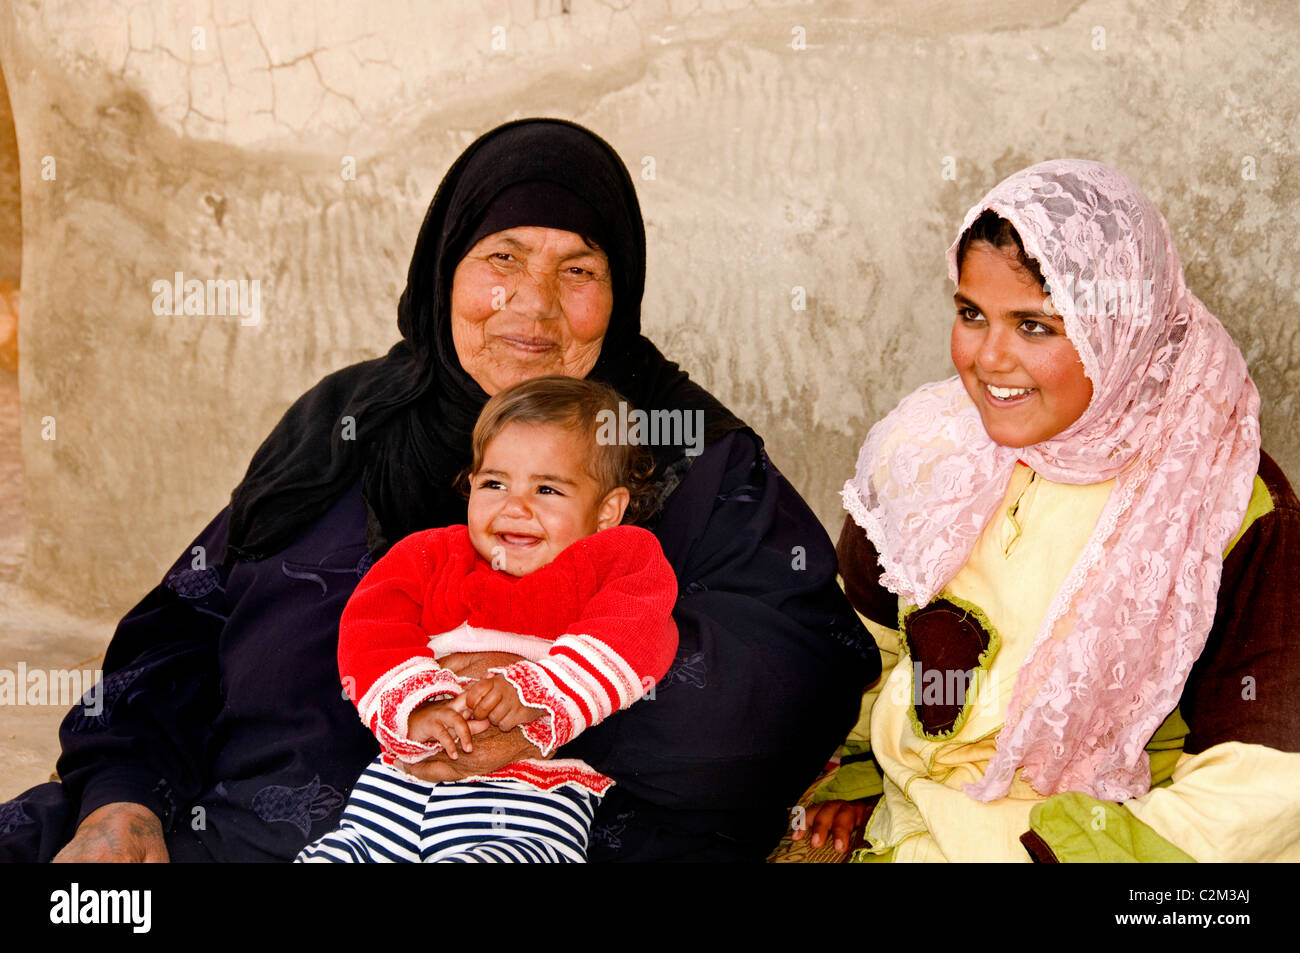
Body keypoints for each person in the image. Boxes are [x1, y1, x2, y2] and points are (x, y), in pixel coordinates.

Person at [0, 118, 877, 863]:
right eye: (502, 257)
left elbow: (795, 674)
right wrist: (123, 796)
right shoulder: (346, 423)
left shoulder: (676, 452)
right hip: (236, 837)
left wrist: (541, 703)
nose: (531, 305)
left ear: (620, 296)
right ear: (444, 269)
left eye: (578, 269)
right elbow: (181, 629)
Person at [814, 159, 1299, 862]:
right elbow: (859, 651)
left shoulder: (1220, 493)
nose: (988, 357)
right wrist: (853, 769)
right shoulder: (925, 451)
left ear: (1120, 329)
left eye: (1035, 325)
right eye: (971, 313)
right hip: (912, 835)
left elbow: (1267, 787)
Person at [297, 376, 679, 863]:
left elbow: (637, 632)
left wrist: (534, 692)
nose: (514, 507)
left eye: (546, 489)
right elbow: (371, 629)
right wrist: (419, 707)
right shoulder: (431, 556)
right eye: (494, 483)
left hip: (523, 806)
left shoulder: (618, 559)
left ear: (607, 511)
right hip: (392, 797)